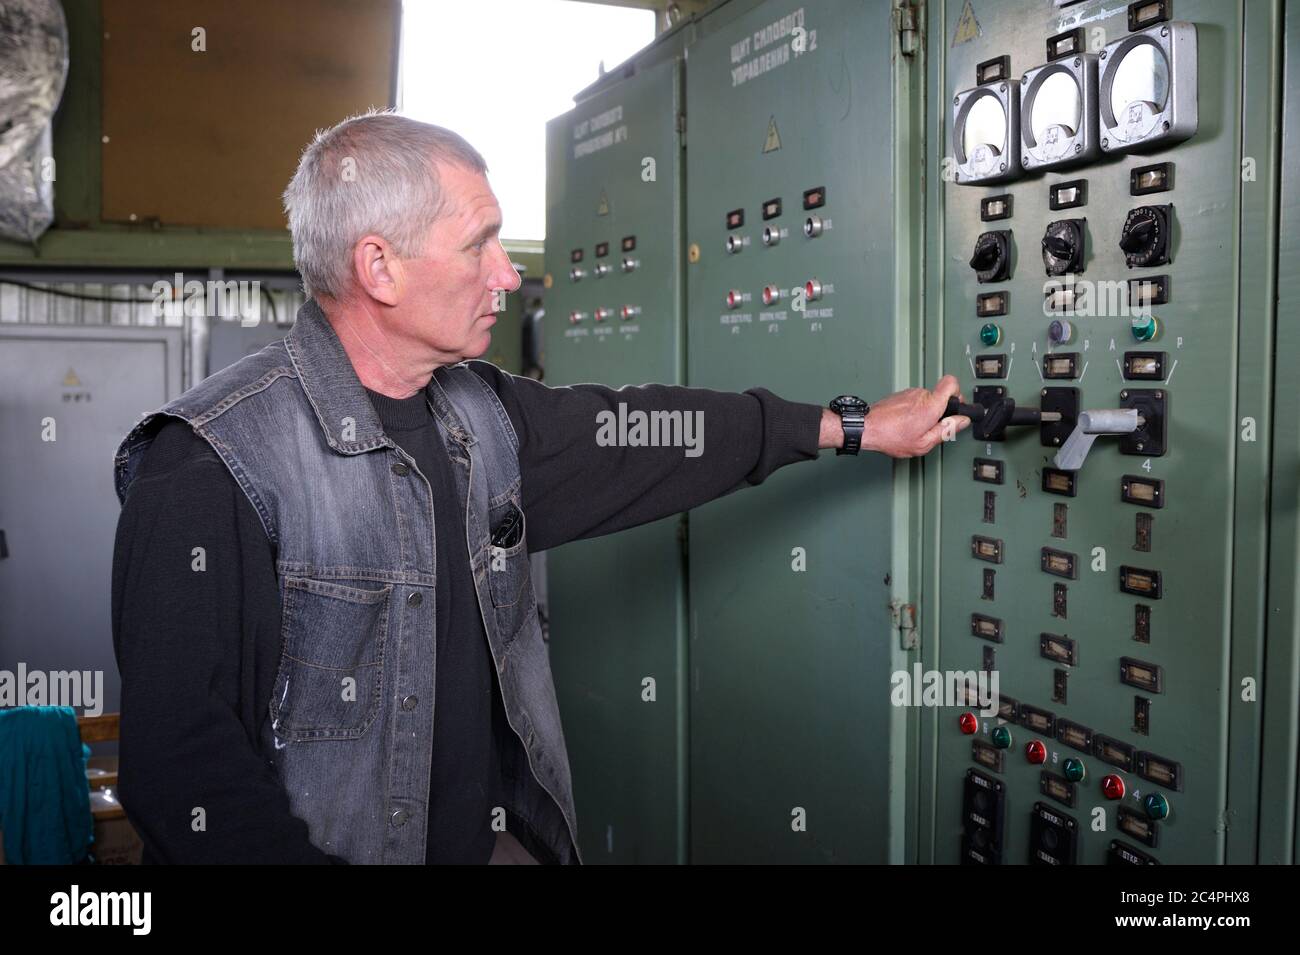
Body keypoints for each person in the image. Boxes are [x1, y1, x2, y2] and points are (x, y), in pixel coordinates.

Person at [110, 111, 970, 865]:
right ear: (380, 267)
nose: (508, 276)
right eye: (479, 242)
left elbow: (654, 436)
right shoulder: (207, 464)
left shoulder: (482, 414)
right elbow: (186, 772)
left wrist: (853, 426)